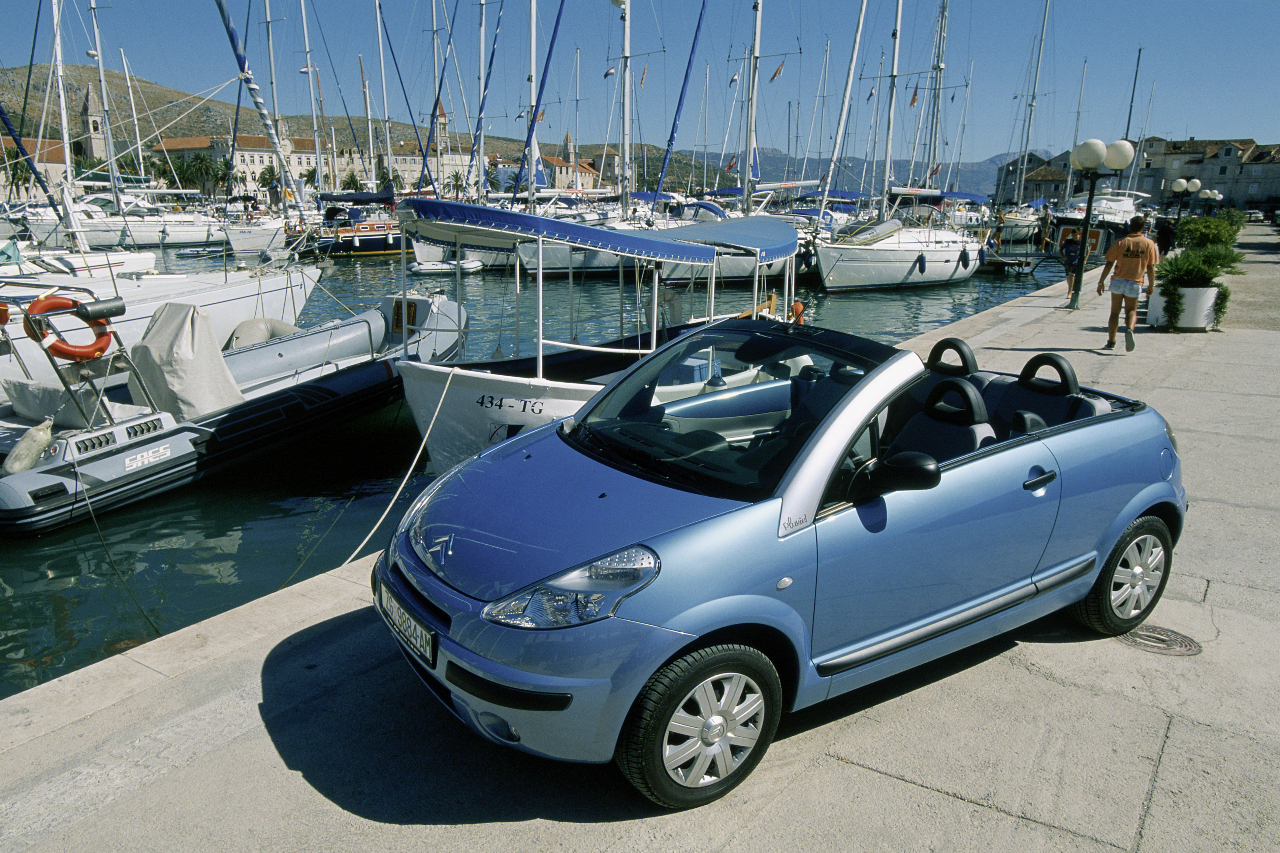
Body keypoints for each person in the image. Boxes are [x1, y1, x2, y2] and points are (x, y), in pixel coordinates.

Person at [1096, 215, 1159, 352]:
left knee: (1114, 312)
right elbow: (1151, 267)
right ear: (1143, 227)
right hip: (1135, 282)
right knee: (1131, 310)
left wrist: (1101, 282)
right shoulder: (1149, 244)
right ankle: (1129, 329)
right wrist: (1151, 285)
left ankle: (1111, 342)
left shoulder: (1121, 242)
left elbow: (1109, 263)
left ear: (1130, 226)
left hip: (1118, 281)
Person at [1060, 232, 1081, 299]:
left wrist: (1085, 259)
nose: (1074, 237)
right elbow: (1060, 249)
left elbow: (1088, 250)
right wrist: (1063, 257)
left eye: (1076, 235)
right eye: (1073, 235)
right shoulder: (1068, 242)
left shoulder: (1081, 242)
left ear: (1079, 235)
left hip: (1076, 262)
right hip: (1068, 261)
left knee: (1072, 275)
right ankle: (1071, 287)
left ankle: (1069, 292)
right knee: (1068, 277)